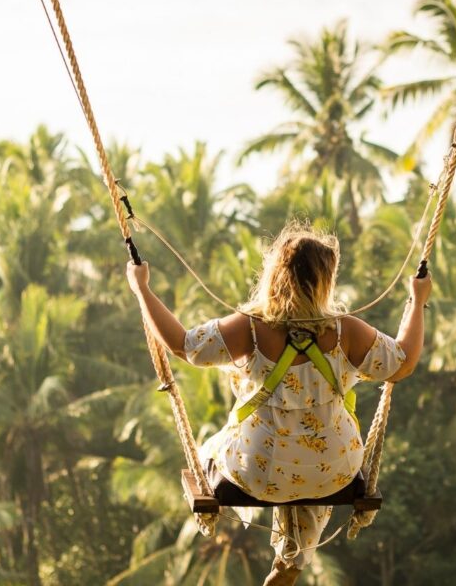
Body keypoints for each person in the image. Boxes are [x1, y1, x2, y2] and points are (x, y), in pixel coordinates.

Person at [126, 224, 431, 586]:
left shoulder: (251, 328)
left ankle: (290, 555)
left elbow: (183, 345)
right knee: (312, 473)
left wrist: (142, 289)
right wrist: (417, 300)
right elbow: (404, 361)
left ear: (276, 275)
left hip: (260, 471)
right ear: (324, 281)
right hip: (334, 470)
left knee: (212, 450)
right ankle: (294, 558)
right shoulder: (346, 330)